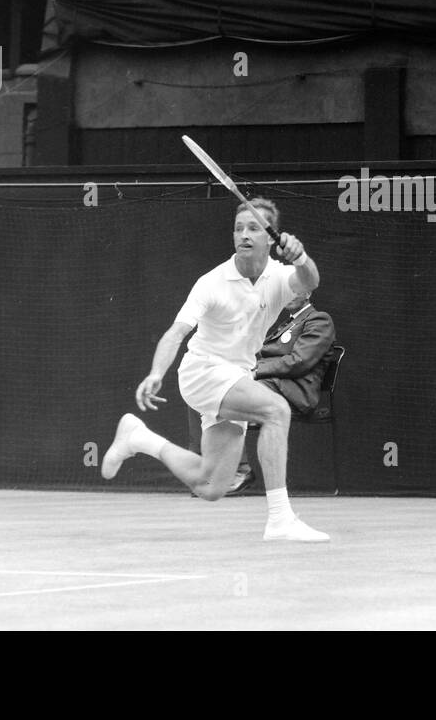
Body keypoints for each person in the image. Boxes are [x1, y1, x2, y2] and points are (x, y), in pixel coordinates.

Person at [102, 199, 329, 541]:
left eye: (254, 228)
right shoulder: (212, 282)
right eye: (238, 228)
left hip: (237, 375)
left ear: (271, 238)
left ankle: (139, 437)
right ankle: (281, 520)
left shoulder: (279, 277)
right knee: (276, 410)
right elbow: (176, 332)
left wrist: (300, 256)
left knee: (210, 484)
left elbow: (309, 281)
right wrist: (156, 373)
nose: (244, 235)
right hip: (203, 371)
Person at [220, 290, 337, 495]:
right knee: (214, 391)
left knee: (231, 393)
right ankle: (221, 471)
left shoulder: (319, 320)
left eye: (294, 290)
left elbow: (299, 361)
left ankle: (240, 471)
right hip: (274, 386)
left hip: (295, 392)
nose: (288, 295)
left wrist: (255, 371)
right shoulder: (287, 323)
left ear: (308, 292)